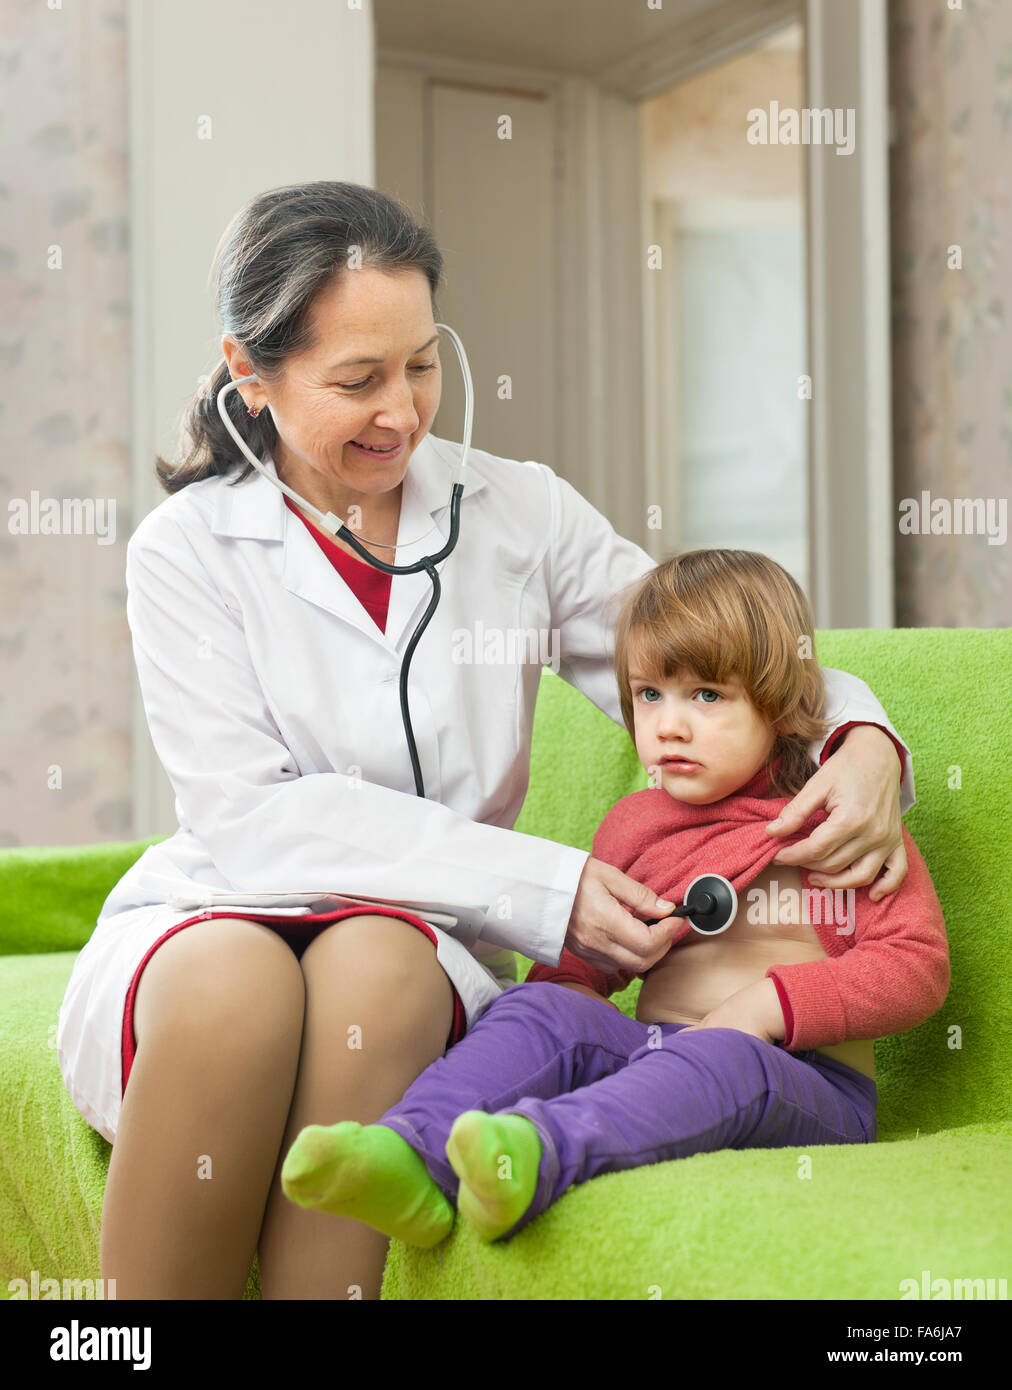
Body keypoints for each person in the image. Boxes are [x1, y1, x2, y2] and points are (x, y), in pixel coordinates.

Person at [57, 181, 916, 1300]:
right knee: (231, 989)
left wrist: (860, 735)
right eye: (356, 380)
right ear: (250, 375)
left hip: (424, 936)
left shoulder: (518, 514)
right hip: (222, 899)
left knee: (376, 963)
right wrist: (545, 884)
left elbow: (707, 657)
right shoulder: (185, 550)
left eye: (421, 364)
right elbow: (251, 816)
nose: (402, 414)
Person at [280, 550, 950, 1246]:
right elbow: (580, 971)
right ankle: (410, 1152)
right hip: (656, 1055)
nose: (668, 726)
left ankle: (538, 1151)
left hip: (803, 1084)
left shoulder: (834, 819)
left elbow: (916, 966)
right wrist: (572, 1005)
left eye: (708, 697)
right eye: (649, 695)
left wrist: (764, 1008)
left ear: (780, 703)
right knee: (539, 1007)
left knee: (725, 1056)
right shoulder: (636, 826)